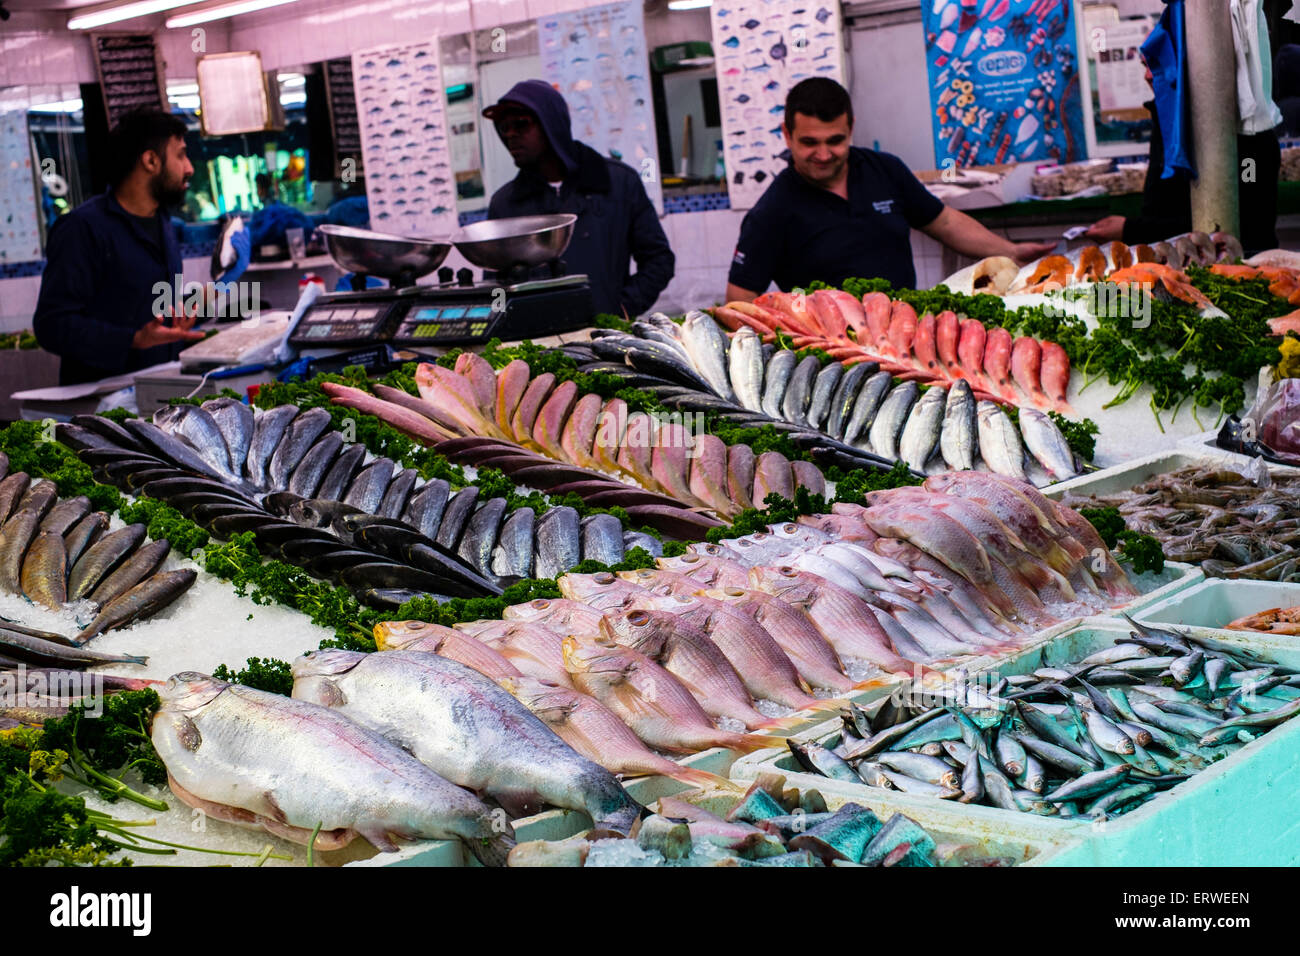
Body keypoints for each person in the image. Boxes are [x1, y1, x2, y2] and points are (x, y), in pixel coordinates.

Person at [725, 78, 1056, 303]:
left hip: (907, 334)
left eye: (835, 141)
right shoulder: (772, 211)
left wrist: (1009, 251)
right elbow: (739, 301)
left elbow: (944, 223)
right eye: (810, 142)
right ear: (787, 134)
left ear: (850, 128)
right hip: (834, 358)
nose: (824, 155)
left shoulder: (884, 169)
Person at [33, 109, 209, 386]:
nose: (190, 168)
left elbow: (148, 310)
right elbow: (51, 325)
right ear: (151, 160)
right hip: (101, 405)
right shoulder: (82, 228)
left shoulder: (163, 222)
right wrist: (132, 340)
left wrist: (185, 316)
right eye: (180, 155)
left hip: (161, 390)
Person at [483, 79, 674, 318]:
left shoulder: (617, 183)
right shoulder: (505, 203)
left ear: (552, 124)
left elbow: (659, 259)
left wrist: (623, 308)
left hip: (605, 339)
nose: (510, 135)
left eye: (521, 124)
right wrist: (500, 324)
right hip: (536, 346)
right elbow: (494, 286)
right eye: (503, 127)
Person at [1085, 61, 1280, 253]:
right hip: (1178, 265)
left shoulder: (1250, 136)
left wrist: (1131, 230)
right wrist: (1132, 228)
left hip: (1241, 262)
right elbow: (1166, 207)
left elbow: (1247, 213)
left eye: (1157, 62)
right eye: (1145, 65)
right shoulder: (1168, 121)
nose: (1147, 76)